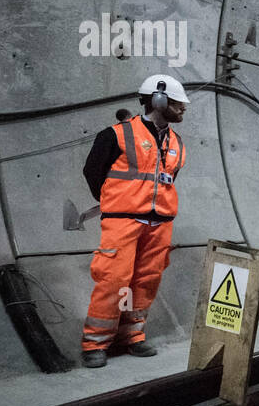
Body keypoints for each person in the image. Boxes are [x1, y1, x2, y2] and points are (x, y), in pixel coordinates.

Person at [80, 74, 189, 367]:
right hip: (123, 221)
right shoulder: (115, 135)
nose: (183, 110)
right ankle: (94, 343)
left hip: (160, 223)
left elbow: (168, 179)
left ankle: (133, 337)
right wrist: (118, 203)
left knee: (146, 281)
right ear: (159, 99)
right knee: (113, 279)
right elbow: (93, 173)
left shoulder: (177, 142)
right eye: (178, 104)